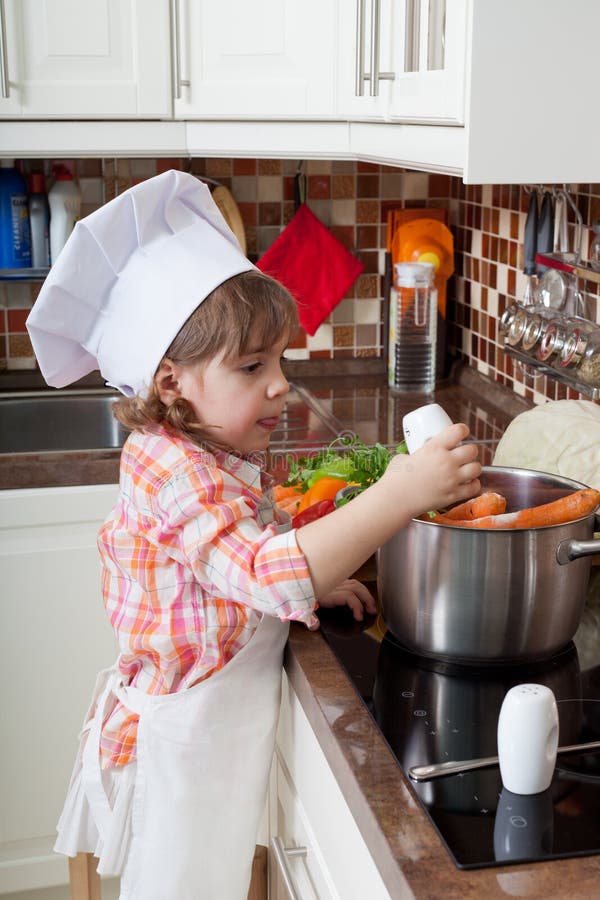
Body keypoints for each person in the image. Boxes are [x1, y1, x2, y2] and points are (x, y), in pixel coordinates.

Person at [26, 170, 481, 899]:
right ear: (170, 383)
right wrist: (401, 492)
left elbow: (235, 568)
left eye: (280, 360)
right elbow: (270, 572)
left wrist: (316, 582)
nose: (279, 384)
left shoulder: (205, 448)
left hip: (214, 728)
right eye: (251, 366)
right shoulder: (174, 471)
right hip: (183, 747)